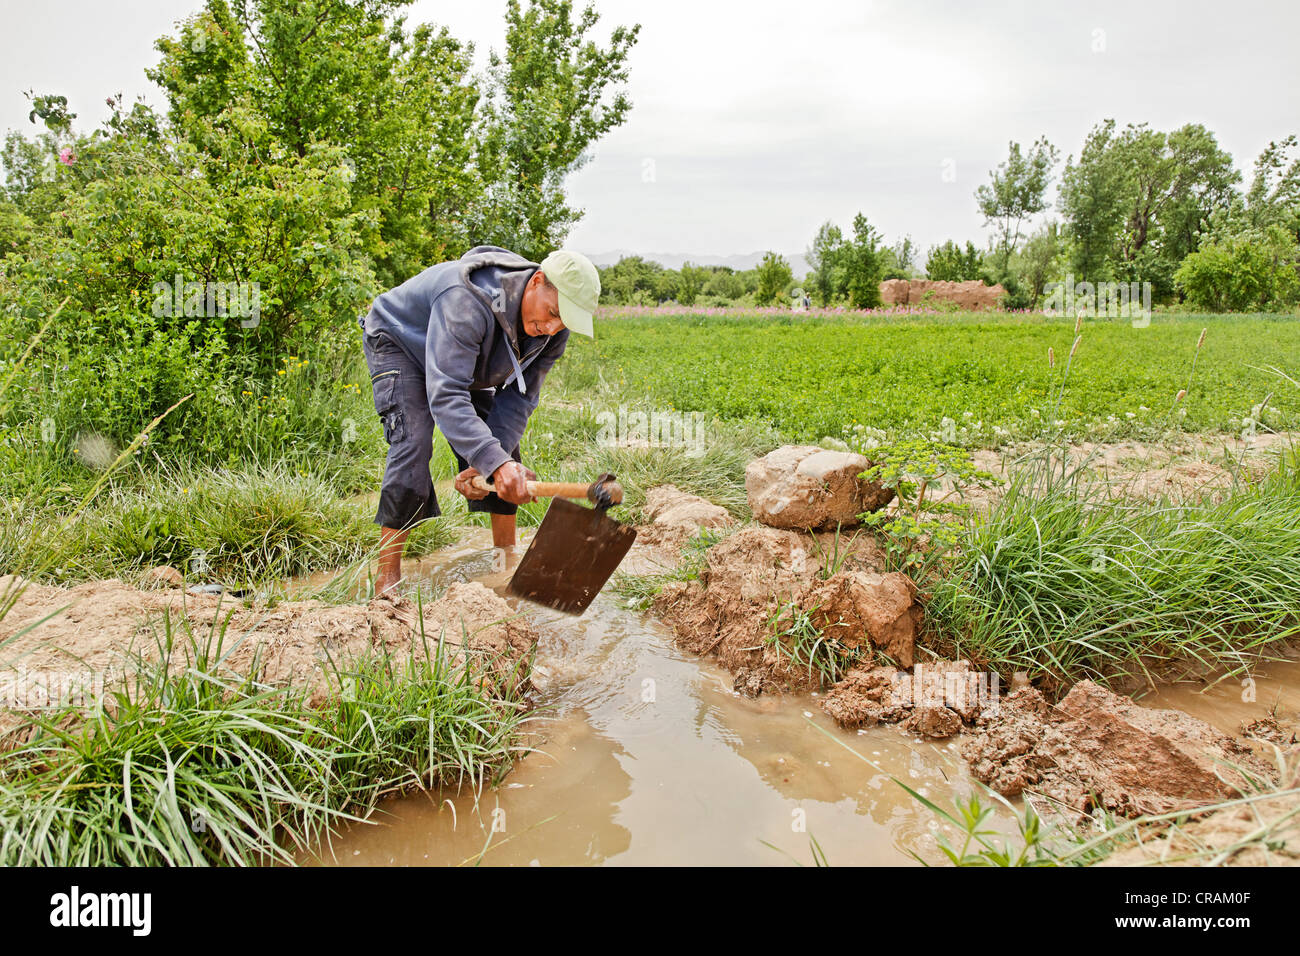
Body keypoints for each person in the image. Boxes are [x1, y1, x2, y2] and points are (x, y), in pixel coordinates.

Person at [358, 245, 600, 595]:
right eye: (550, 313)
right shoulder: (467, 299)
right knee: (412, 441)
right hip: (401, 342)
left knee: (505, 455)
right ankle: (387, 581)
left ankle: (506, 562)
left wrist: (493, 464)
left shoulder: (554, 331)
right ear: (535, 282)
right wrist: (492, 463)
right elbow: (446, 394)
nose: (551, 327)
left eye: (563, 322)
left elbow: (520, 398)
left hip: (464, 358)